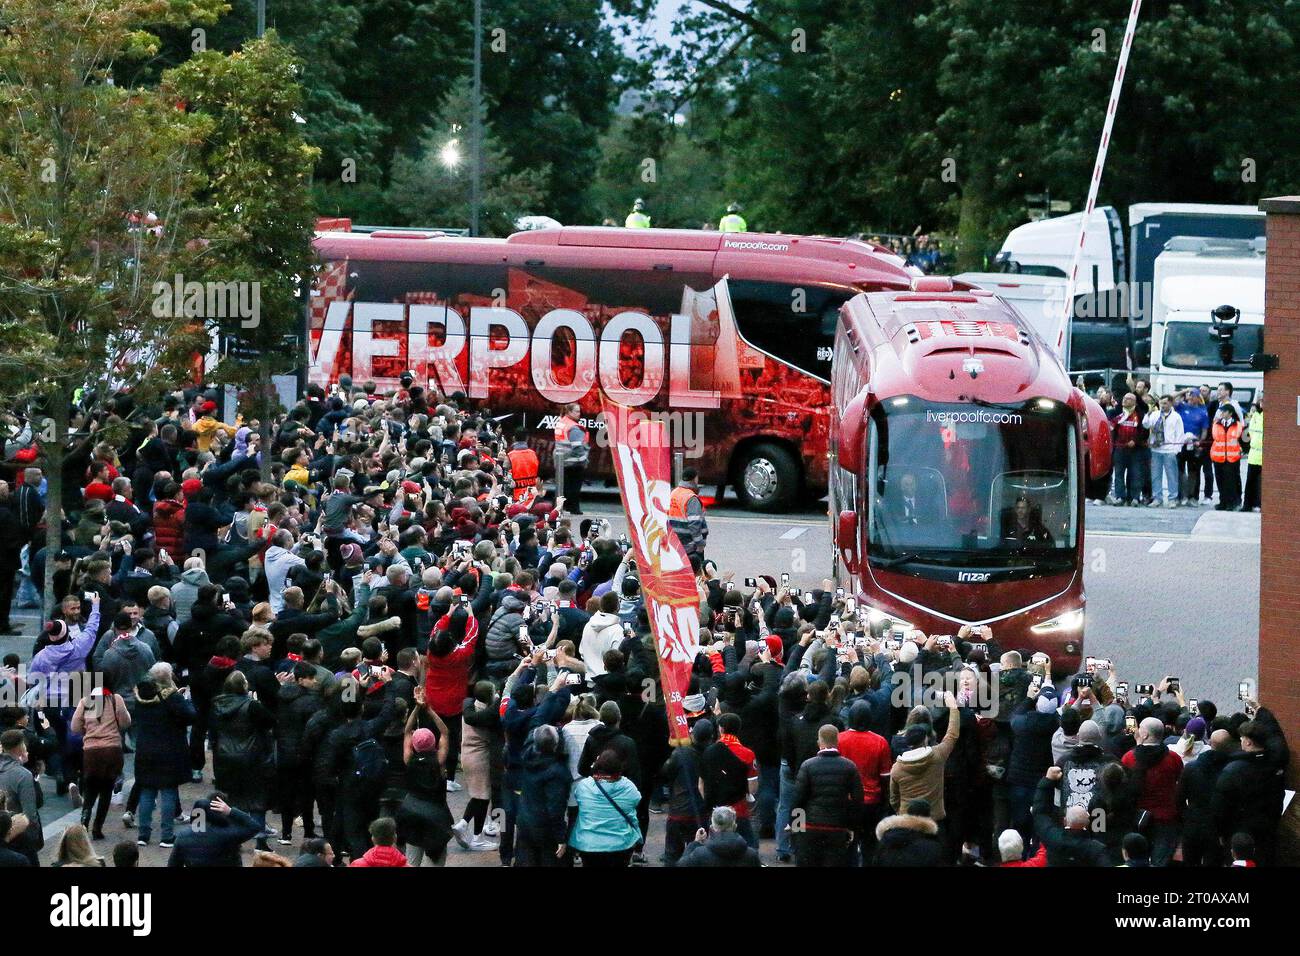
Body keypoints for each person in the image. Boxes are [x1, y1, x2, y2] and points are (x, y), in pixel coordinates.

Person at [208, 670, 277, 845]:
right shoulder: (251, 706)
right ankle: (260, 839)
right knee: (256, 800)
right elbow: (270, 721)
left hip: (224, 757)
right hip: (252, 756)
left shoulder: (216, 704)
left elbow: (213, 731)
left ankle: (232, 838)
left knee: (231, 798)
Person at [131, 666, 196, 848]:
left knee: (146, 791)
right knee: (168, 791)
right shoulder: (172, 698)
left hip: (145, 749)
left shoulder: (141, 696)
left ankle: (143, 834)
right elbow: (191, 716)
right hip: (169, 749)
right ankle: (166, 835)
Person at [1214, 719, 1284, 866]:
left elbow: (1220, 807)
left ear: (1248, 742)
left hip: (1238, 835)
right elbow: (1278, 801)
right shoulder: (1275, 768)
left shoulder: (1232, 770)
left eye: (1242, 738)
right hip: (1266, 833)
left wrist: (1220, 833)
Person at [790, 723, 862, 866]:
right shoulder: (850, 766)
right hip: (837, 827)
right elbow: (857, 800)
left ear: (819, 742)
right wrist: (852, 826)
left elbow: (798, 798)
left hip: (810, 826)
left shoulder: (807, 765)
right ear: (837, 741)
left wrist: (794, 825)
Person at [71, 683, 131, 840]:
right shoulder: (115, 699)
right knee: (106, 790)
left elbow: (75, 727)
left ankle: (84, 822)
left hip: (91, 752)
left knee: (90, 790)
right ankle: (97, 828)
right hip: (112, 750)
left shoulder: (85, 701)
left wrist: (89, 731)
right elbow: (125, 722)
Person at [1121, 716, 1184, 866]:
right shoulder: (1174, 758)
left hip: (1138, 819)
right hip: (1166, 819)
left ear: (1145, 735)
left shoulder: (1129, 758)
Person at [569, 748, 641, 867]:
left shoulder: (584, 786)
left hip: (589, 844)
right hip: (621, 844)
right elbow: (636, 799)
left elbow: (578, 798)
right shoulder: (629, 787)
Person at [514, 723, 572, 866]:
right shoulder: (557, 772)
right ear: (556, 744)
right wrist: (561, 837)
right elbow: (555, 808)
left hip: (525, 821)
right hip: (545, 828)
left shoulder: (527, 758)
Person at [1031, 767, 1108, 866]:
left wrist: (1047, 781)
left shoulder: (1052, 837)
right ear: (1088, 823)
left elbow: (1040, 813)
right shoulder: (1096, 849)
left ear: (1064, 821)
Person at [167, 794, 264, 867]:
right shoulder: (228, 834)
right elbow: (254, 826)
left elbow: (173, 864)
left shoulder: (183, 836)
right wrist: (231, 811)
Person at [0, 730, 41, 864]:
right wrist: (34, 839)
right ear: (20, 747)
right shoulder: (23, 775)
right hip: (18, 836)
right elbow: (30, 813)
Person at [679, 805, 761, 866]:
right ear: (735, 826)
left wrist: (695, 843)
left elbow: (681, 864)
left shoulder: (700, 854)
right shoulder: (751, 855)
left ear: (712, 828)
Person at [1144, 394, 1185, 507]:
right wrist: (1147, 415)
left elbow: (1180, 433)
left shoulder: (1176, 416)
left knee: (1172, 475)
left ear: (1171, 403)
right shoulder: (1155, 414)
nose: (1163, 405)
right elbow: (1146, 425)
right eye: (1161, 403)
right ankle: (1157, 498)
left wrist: (1176, 449)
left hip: (1169, 450)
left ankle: (1172, 498)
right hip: (1156, 449)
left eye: (1165, 403)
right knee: (1156, 475)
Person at [552, 403, 589, 514]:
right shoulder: (574, 428)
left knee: (564, 487)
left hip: (562, 460)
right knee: (574, 487)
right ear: (569, 412)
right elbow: (578, 448)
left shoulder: (561, 422)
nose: (579, 414)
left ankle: (560, 507)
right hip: (574, 462)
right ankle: (574, 509)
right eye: (576, 411)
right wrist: (584, 460)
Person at [667, 467, 709, 562]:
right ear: (694, 479)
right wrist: (699, 544)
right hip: (690, 546)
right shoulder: (691, 498)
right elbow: (694, 524)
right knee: (695, 573)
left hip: (674, 543)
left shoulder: (673, 493)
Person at [1209, 401, 1244, 511]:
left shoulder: (1238, 425)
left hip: (1232, 458)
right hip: (1218, 457)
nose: (1221, 413)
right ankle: (1222, 502)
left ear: (1230, 413)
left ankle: (1232, 502)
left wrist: (1242, 450)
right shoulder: (1216, 423)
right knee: (1220, 480)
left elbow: (1244, 440)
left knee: (1231, 481)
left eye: (1223, 411)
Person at [1240, 395, 1263, 512]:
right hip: (1254, 454)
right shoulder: (1255, 415)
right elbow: (1247, 435)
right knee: (1250, 481)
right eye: (1260, 401)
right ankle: (1247, 505)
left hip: (1263, 455)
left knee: (1261, 483)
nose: (1262, 403)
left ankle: (1258, 504)